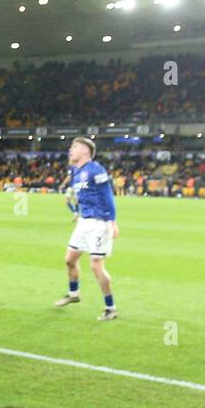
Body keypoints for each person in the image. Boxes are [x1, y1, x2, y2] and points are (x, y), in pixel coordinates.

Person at [54, 137, 119, 320]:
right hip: (84, 222)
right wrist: (77, 212)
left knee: (96, 266)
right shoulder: (75, 171)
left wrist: (113, 222)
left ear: (85, 152)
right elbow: (84, 196)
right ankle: (74, 294)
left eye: (74, 147)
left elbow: (107, 196)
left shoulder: (96, 170)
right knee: (70, 259)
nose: (70, 150)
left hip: (99, 223)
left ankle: (110, 308)